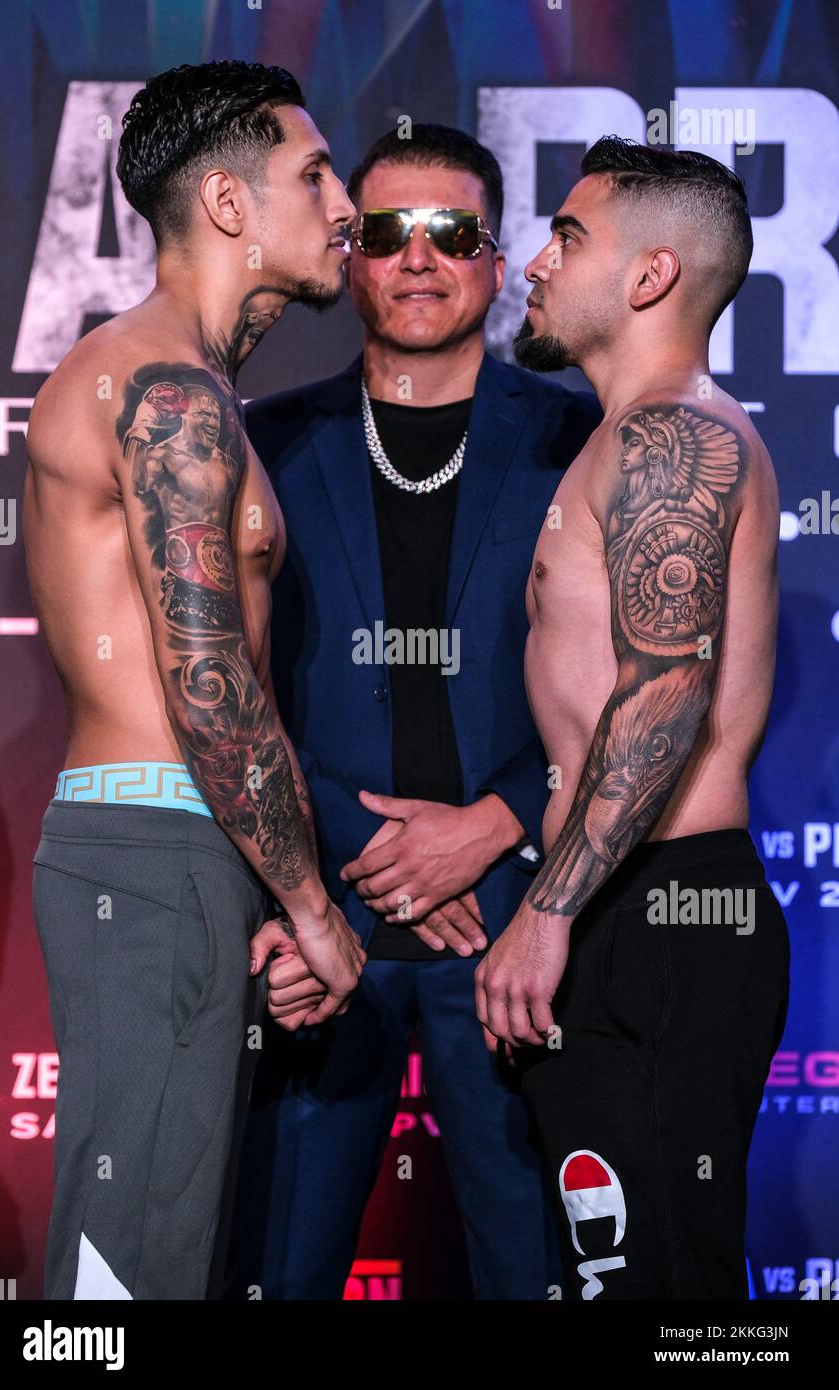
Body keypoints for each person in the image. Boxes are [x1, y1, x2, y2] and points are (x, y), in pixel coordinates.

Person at [225, 124, 601, 1301]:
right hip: (317, 920)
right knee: (272, 1267)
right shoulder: (263, 441)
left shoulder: (576, 441)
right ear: (349, 259)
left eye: (455, 234)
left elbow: (634, 693)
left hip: (518, 928)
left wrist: (494, 823)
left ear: (497, 262)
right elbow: (232, 689)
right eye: (386, 232)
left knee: (533, 1269)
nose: (420, 259)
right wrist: (371, 851)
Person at [23, 59, 363, 1301]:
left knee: (152, 1256)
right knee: (124, 1277)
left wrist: (263, 886)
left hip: (172, 853)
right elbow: (208, 683)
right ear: (227, 203)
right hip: (152, 854)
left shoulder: (189, 382)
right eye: (315, 174)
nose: (346, 206)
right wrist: (312, 906)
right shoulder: (168, 393)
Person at [476, 136, 790, 1300]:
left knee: (664, 1294)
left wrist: (548, 911)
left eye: (567, 237)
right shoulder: (620, 438)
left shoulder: (675, 436)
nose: (532, 265)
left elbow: (664, 692)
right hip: (615, 901)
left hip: (664, 909)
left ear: (651, 275)